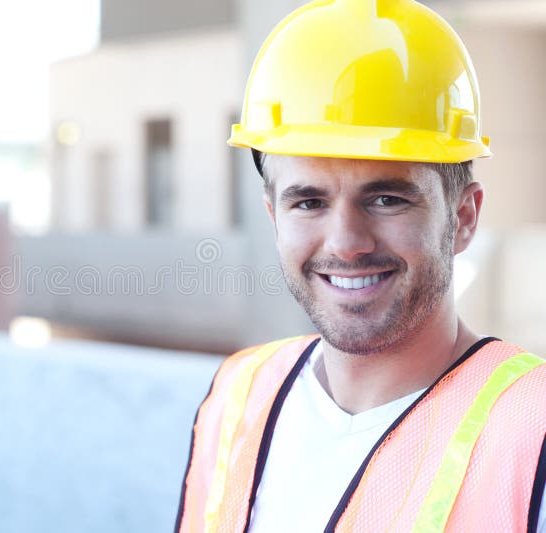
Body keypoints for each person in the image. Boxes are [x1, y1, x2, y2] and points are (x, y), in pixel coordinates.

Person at [174, 0, 546, 532]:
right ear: (273, 217)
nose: (346, 243)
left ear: (463, 217)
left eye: (387, 199)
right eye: (309, 202)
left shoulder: (532, 428)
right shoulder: (239, 395)